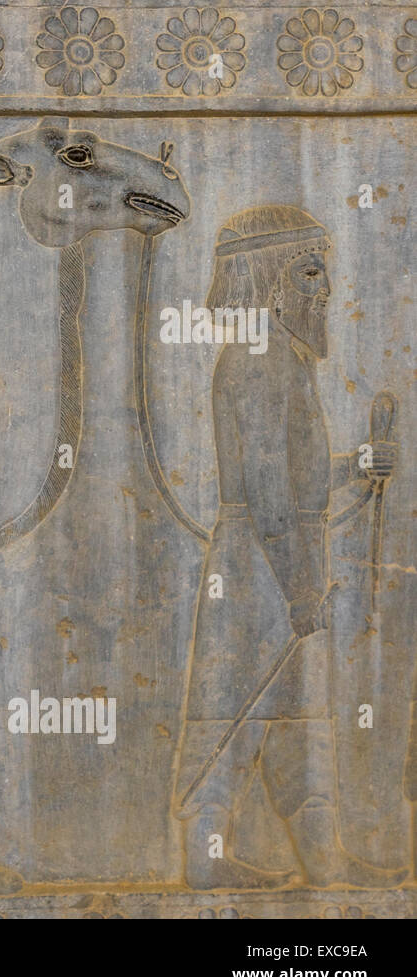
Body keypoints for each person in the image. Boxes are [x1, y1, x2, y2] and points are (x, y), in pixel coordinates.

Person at [174, 205, 404, 889]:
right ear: (272, 280)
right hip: (260, 567)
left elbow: (297, 477)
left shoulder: (278, 358)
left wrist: (360, 462)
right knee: (236, 712)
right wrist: (303, 589)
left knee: (299, 716)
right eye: (311, 269)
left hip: (276, 558)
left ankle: (323, 862)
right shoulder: (259, 358)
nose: (327, 285)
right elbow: (273, 494)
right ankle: (205, 861)